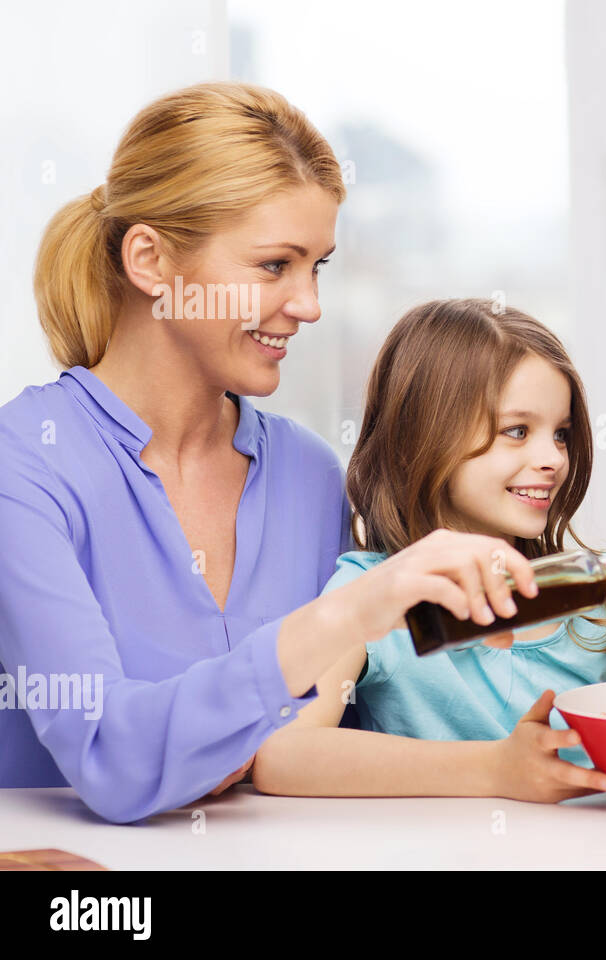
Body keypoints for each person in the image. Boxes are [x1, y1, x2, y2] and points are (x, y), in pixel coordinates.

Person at [0, 83, 534, 823]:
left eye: (318, 265)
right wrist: (353, 610)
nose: (309, 303)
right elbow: (112, 758)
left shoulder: (310, 474)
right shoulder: (25, 465)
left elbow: (332, 731)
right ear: (151, 260)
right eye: (275, 265)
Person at [252, 299, 606, 802]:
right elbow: (283, 757)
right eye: (516, 431)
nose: (551, 459)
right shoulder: (375, 600)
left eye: (560, 434)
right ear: (423, 438)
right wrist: (496, 770)